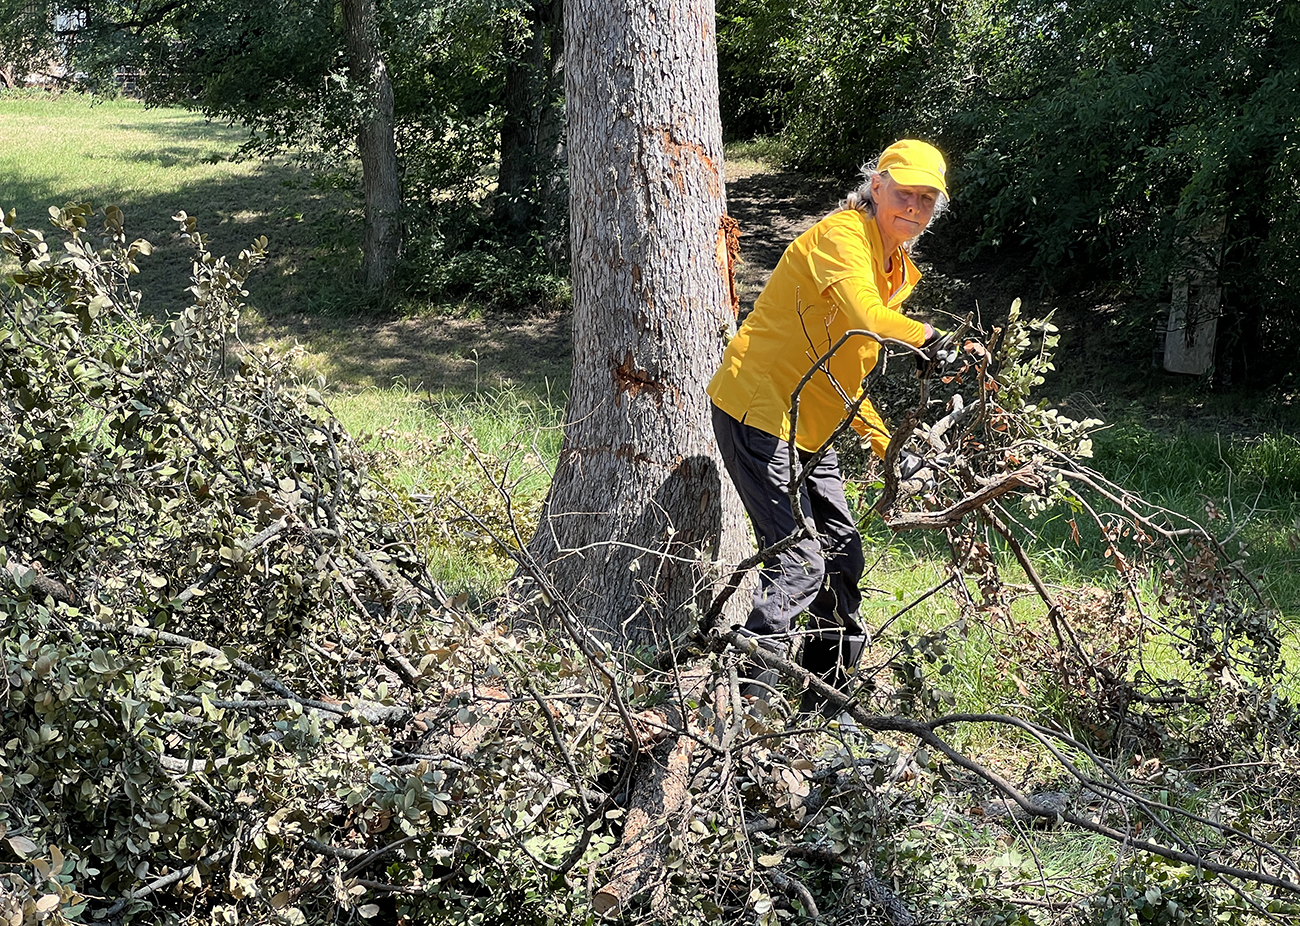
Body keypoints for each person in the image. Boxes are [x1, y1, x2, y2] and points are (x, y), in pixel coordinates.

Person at [708, 138, 950, 706]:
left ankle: (824, 699)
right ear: (875, 186)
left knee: (841, 554)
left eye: (926, 199)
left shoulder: (895, 266)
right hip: (760, 410)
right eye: (903, 193)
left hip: (811, 426)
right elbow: (868, 317)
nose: (913, 207)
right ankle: (743, 704)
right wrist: (930, 339)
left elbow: (848, 369)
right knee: (798, 563)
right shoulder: (842, 237)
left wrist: (887, 444)